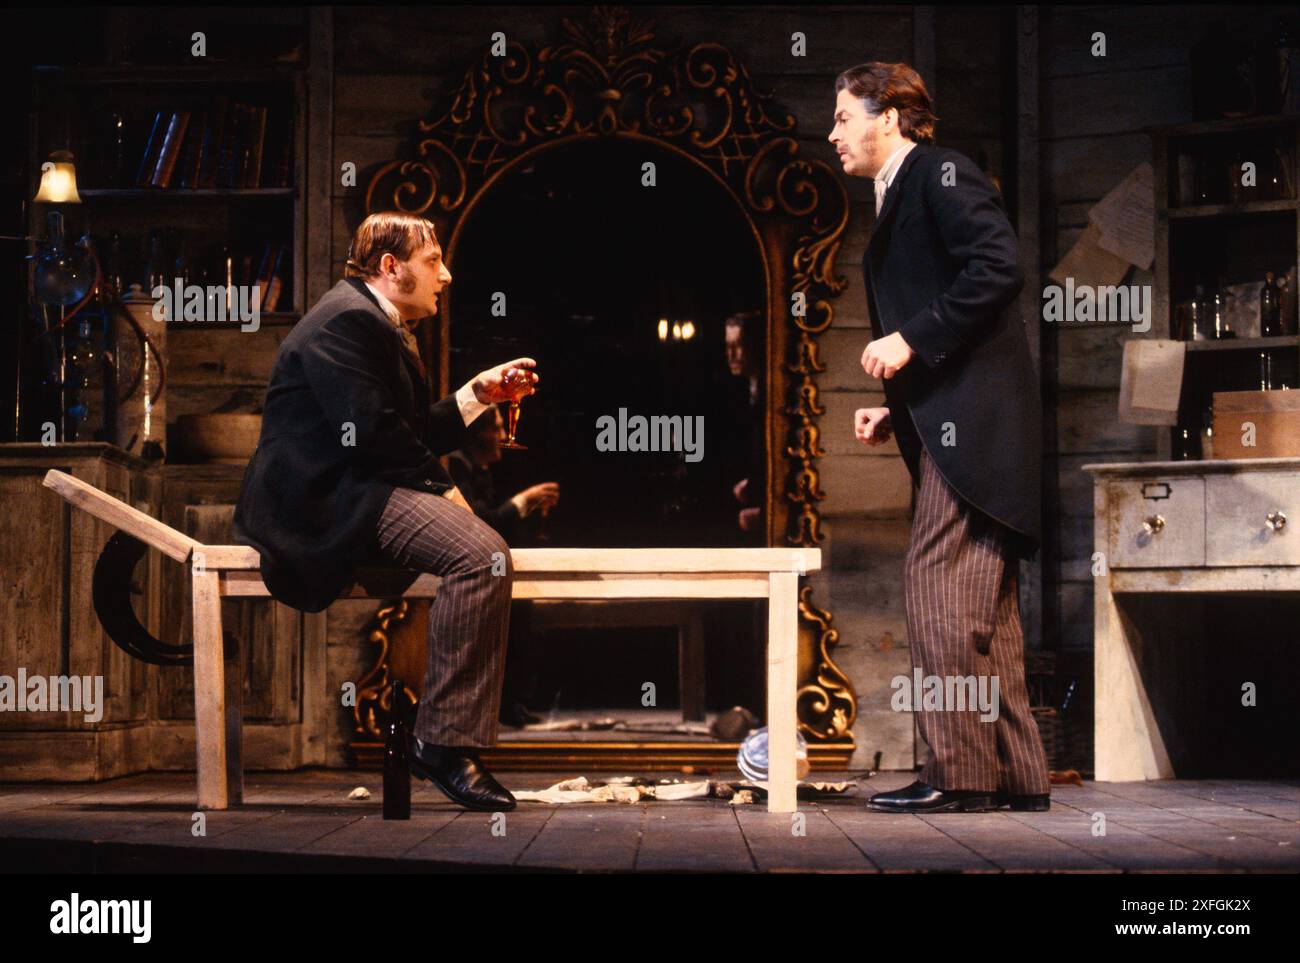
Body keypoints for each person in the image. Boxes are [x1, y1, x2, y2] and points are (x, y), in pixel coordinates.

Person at [232, 211, 537, 811]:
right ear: (390, 267)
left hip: (360, 487)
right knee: (484, 556)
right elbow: (371, 436)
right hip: (324, 502)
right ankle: (443, 745)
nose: (445, 275)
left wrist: (478, 395)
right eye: (433, 262)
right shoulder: (346, 321)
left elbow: (406, 428)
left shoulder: (375, 320)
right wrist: (445, 490)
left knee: (484, 555)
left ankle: (443, 739)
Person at [828, 61, 1050, 813]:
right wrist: (900, 406)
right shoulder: (908, 188)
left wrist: (909, 342)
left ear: (886, 116)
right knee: (985, 614)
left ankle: (958, 775)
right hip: (963, 424)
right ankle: (1015, 776)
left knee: (938, 591)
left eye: (843, 118)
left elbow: (998, 268)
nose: (833, 134)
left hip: (977, 441)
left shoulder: (941, 173)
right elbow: (968, 311)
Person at [447, 406, 559, 726]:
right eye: (495, 429)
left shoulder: (479, 470)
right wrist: (522, 501)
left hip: (490, 568)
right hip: (464, 571)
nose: (501, 437)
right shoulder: (456, 466)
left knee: (524, 611)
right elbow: (478, 523)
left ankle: (511, 703)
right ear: (475, 433)